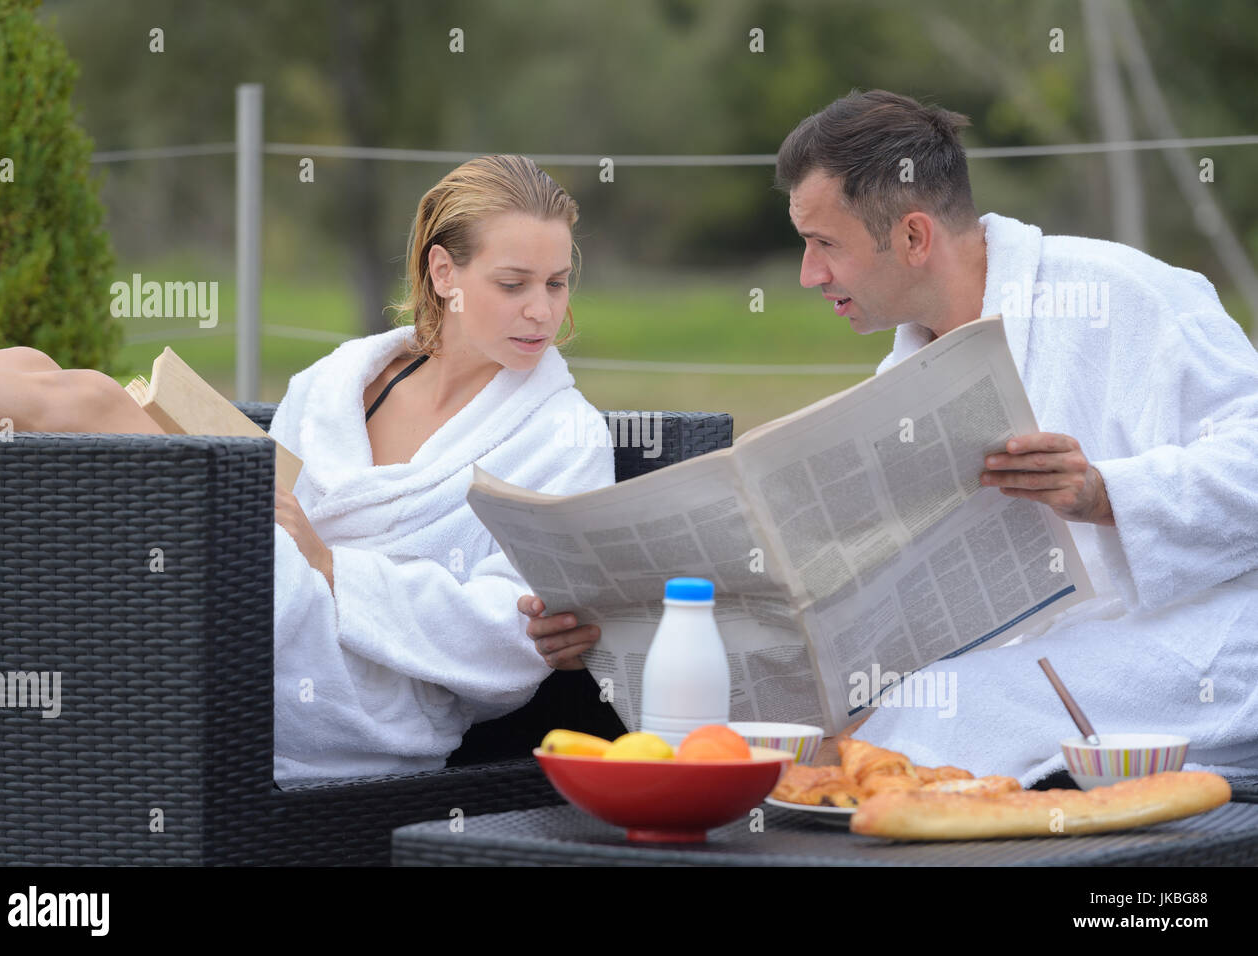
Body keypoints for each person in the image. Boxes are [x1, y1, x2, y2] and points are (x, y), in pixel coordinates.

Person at [520, 90, 1258, 786]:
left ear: (912, 236)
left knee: (940, 710)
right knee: (795, 732)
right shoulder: (905, 378)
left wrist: (1106, 494)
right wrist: (616, 619)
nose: (809, 275)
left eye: (822, 244)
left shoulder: (1122, 296)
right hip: (1005, 668)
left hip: (1184, 651)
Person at [0, 154, 617, 785]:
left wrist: (332, 566)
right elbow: (276, 506)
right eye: (514, 284)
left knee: (95, 403)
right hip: (254, 605)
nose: (542, 309)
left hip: (358, 692)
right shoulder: (338, 382)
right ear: (444, 273)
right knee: (32, 365)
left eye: (556, 283)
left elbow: (515, 638)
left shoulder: (564, 435)